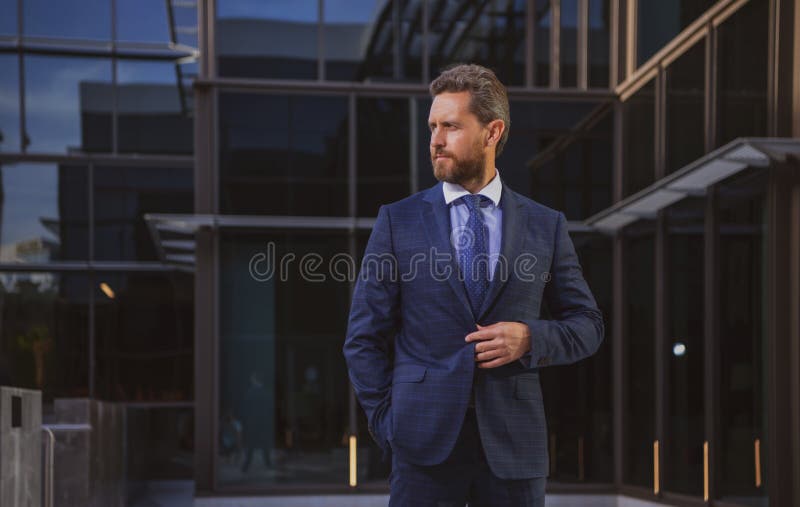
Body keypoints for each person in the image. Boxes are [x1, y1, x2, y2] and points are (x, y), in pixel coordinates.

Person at [343, 63, 604, 506]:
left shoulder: (546, 225)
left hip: (514, 448)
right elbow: (362, 339)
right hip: (421, 447)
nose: (436, 140)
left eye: (450, 126)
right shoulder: (397, 221)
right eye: (432, 127)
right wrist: (388, 423)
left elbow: (588, 325)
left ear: (492, 132)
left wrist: (530, 338)